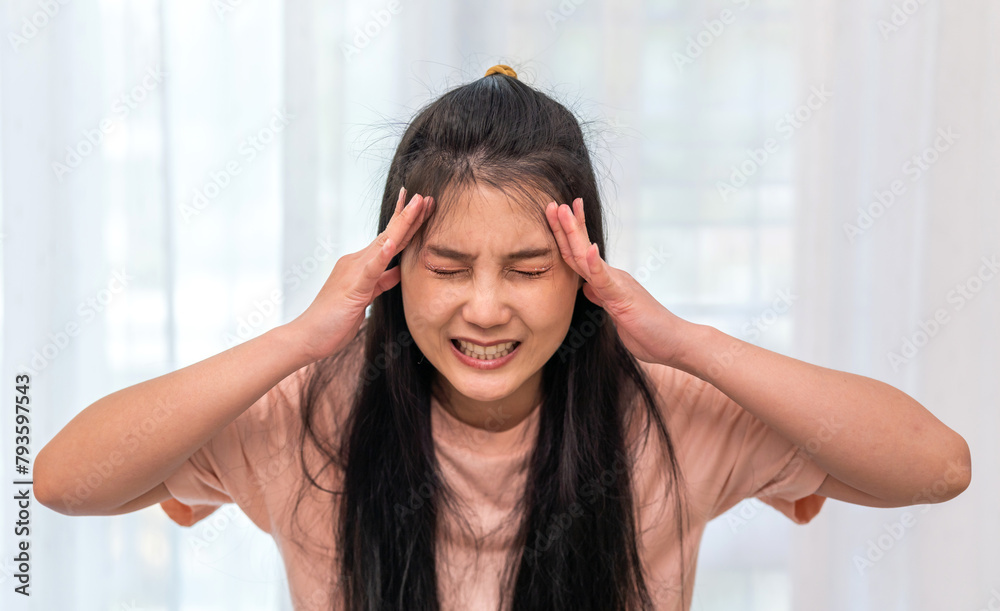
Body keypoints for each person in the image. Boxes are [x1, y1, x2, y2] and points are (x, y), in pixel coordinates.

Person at [35, 63, 972, 611]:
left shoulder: (668, 413)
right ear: (396, 264)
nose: (486, 308)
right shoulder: (310, 409)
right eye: (447, 268)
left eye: (528, 268)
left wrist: (682, 341)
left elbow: (937, 465)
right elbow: (62, 482)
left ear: (583, 267)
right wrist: (299, 339)